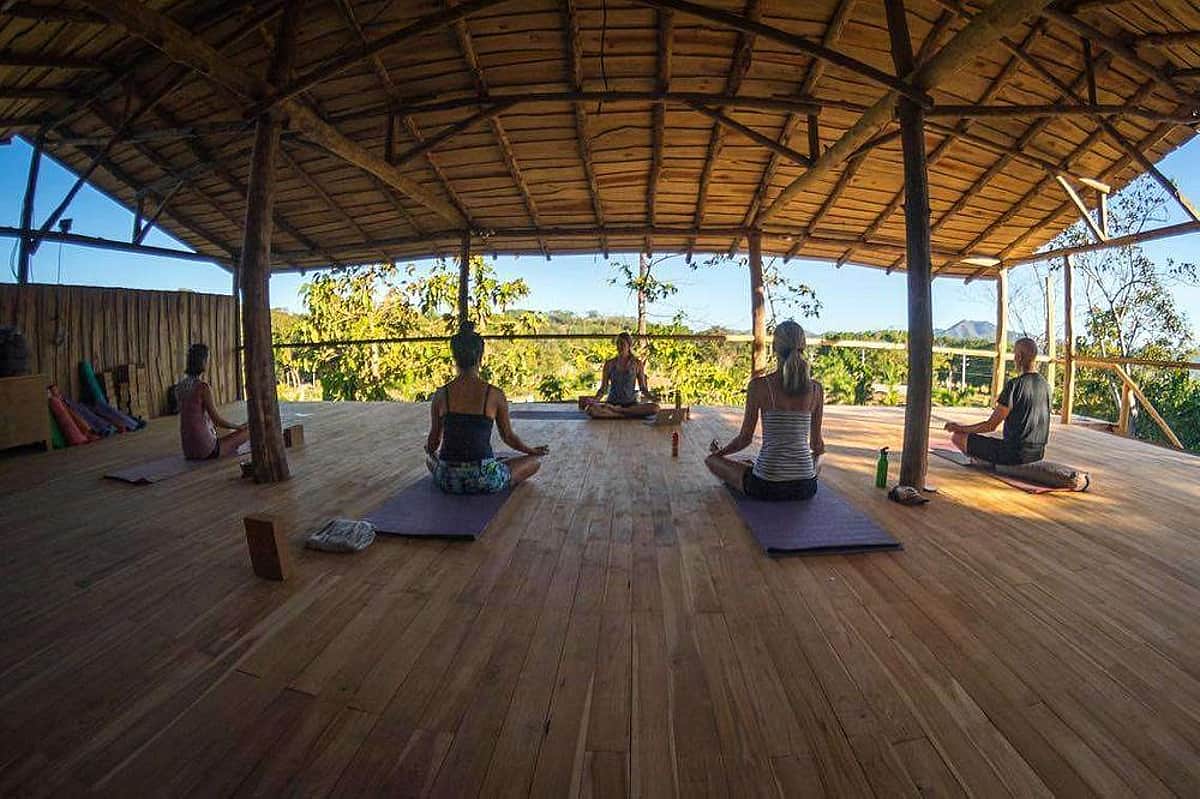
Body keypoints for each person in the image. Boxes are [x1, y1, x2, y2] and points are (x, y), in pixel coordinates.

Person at [705, 320, 825, 500]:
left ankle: (746, 466)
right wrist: (807, 468)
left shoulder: (759, 386)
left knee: (712, 461)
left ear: (775, 347)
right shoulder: (816, 389)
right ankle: (757, 467)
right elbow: (816, 446)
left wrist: (719, 453)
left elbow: (744, 440)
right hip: (806, 487)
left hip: (766, 485)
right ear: (803, 346)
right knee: (818, 459)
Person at [425, 322, 548, 494]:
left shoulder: (441, 394)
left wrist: (429, 451)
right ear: (480, 357)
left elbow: (434, 441)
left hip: (448, 478)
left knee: (430, 459)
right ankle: (495, 467)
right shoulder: (494, 394)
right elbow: (508, 437)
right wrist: (532, 451)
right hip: (484, 479)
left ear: (455, 357)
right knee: (535, 462)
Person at [945, 336, 1050, 465]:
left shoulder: (1015, 385)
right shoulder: (1046, 385)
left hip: (1015, 454)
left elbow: (990, 426)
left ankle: (983, 463)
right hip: (1038, 454)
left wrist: (960, 428)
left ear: (1019, 357)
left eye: (1014, 354)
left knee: (958, 437)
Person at [176, 343, 248, 460]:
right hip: (206, 449)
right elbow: (217, 421)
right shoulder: (203, 387)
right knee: (248, 431)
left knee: (222, 431)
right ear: (203, 362)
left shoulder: (179, 387)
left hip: (188, 450)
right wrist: (239, 427)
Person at [584, 332, 661, 418]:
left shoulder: (637, 364)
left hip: (630, 405)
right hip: (611, 404)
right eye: (618, 344)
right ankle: (626, 414)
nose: (619, 346)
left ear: (629, 345)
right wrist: (594, 400)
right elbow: (603, 389)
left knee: (655, 408)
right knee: (590, 410)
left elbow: (643, 388)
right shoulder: (609, 364)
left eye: (622, 344)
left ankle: (618, 412)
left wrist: (653, 398)